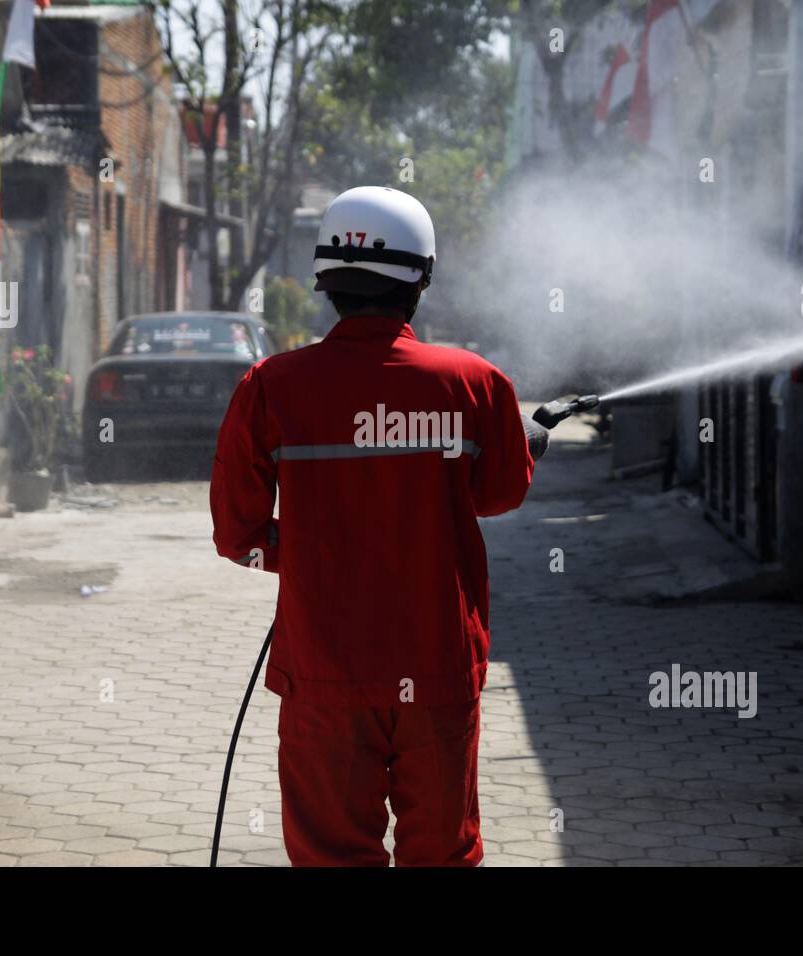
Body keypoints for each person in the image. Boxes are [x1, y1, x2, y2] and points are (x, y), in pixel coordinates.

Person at [210, 186, 538, 866]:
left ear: (326, 281)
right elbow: (500, 493)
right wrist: (523, 441)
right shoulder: (476, 384)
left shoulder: (272, 386)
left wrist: (303, 550)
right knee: (441, 856)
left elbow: (237, 537)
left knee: (331, 855)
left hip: (323, 674)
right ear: (421, 278)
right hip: (439, 668)